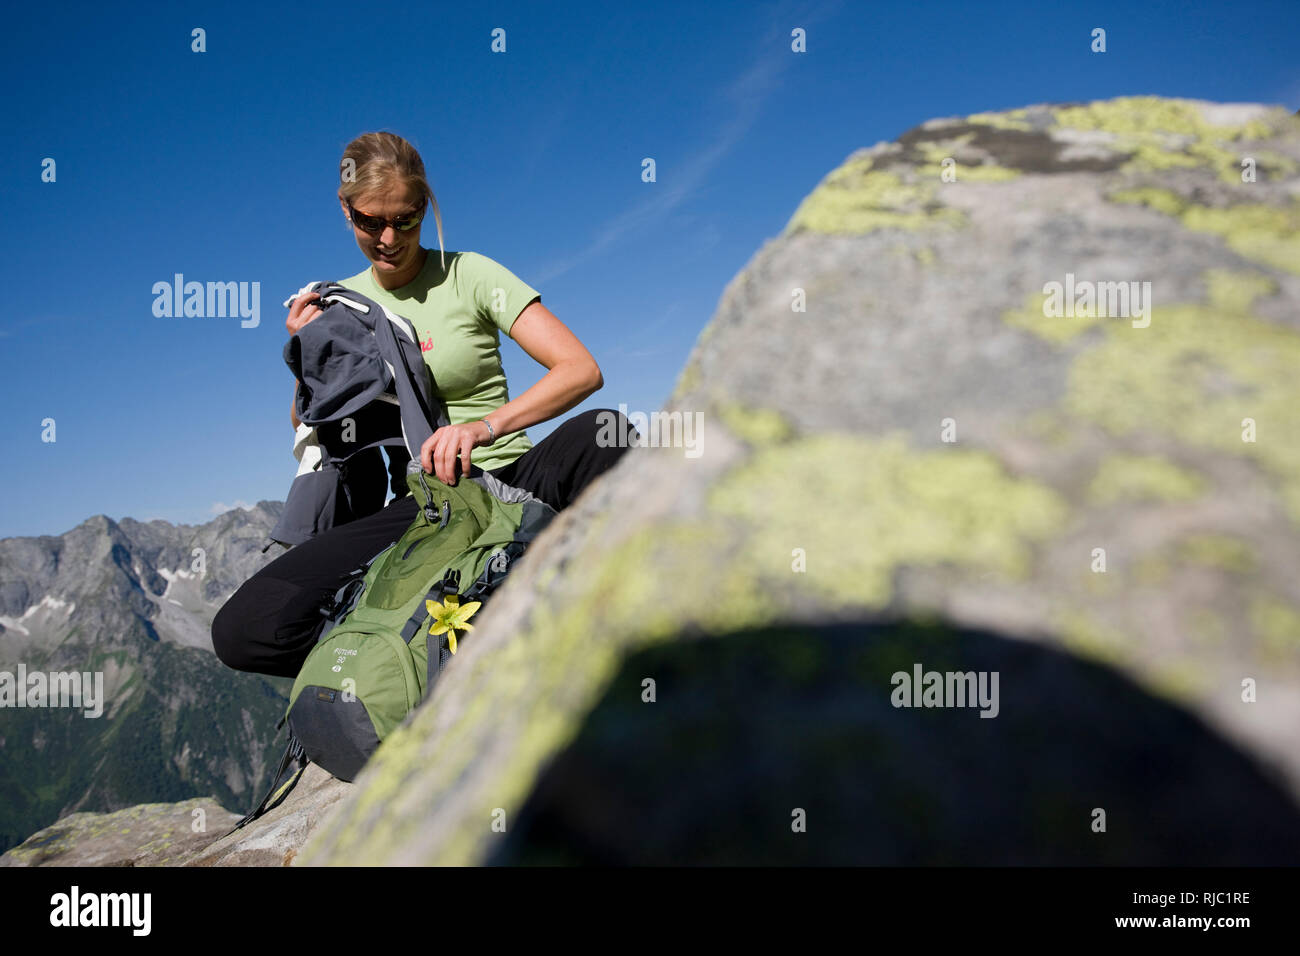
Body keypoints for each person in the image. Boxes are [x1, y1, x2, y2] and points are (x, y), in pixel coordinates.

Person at [212, 131, 638, 678]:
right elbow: (307, 424)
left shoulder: (471, 274)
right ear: (346, 211)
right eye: (371, 222)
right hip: (424, 502)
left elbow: (581, 370)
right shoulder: (339, 305)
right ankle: (413, 647)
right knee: (245, 629)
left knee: (606, 432)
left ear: (425, 207)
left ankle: (505, 607)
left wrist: (484, 428)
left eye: (406, 220)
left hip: (509, 473)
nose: (390, 237)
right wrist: (305, 355)